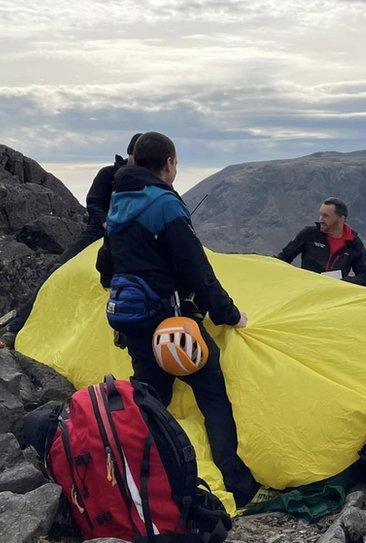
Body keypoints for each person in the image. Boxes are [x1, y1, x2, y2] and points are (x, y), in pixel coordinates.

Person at [95, 131, 259, 505]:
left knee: (151, 398)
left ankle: (136, 473)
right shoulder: (165, 205)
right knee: (212, 393)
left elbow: (104, 264)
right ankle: (237, 484)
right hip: (171, 323)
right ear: (168, 164)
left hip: (132, 320)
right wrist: (230, 315)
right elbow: (196, 270)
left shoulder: (119, 202)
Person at [0, 133, 143, 349]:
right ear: (130, 155)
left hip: (128, 238)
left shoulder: (146, 182)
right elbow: (94, 204)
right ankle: (15, 329)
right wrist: (105, 223)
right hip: (98, 233)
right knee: (58, 270)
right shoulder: (109, 174)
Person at [275, 198, 366, 286]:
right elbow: (282, 258)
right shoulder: (309, 234)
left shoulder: (354, 243)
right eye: (320, 214)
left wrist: (343, 282)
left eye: (326, 216)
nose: (321, 219)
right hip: (306, 292)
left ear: (341, 219)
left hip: (334, 297)